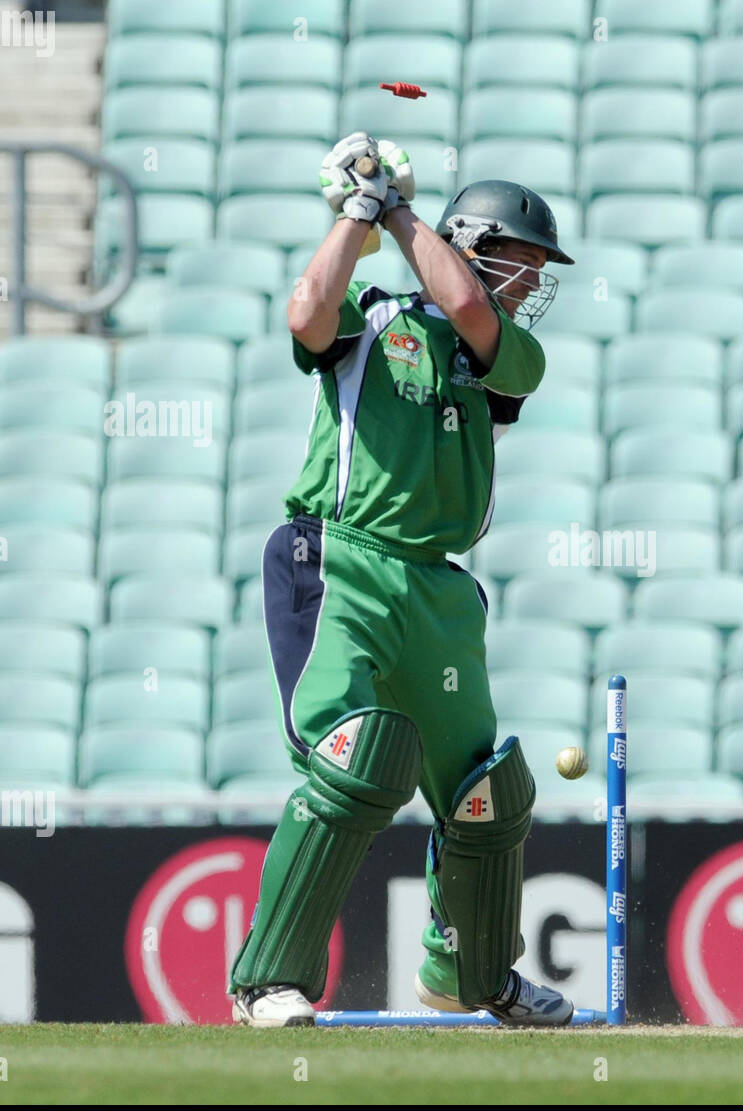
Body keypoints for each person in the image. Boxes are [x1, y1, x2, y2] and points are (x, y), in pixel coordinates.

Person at [228, 132, 576, 1027]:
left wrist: (393, 207)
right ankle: (269, 980)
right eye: (521, 261)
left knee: (486, 792)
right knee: (355, 763)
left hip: (439, 587)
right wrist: (355, 215)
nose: (532, 282)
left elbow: (461, 300)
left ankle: (473, 976)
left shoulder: (507, 364)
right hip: (342, 558)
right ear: (473, 242)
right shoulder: (372, 318)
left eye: (540, 268)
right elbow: (307, 311)